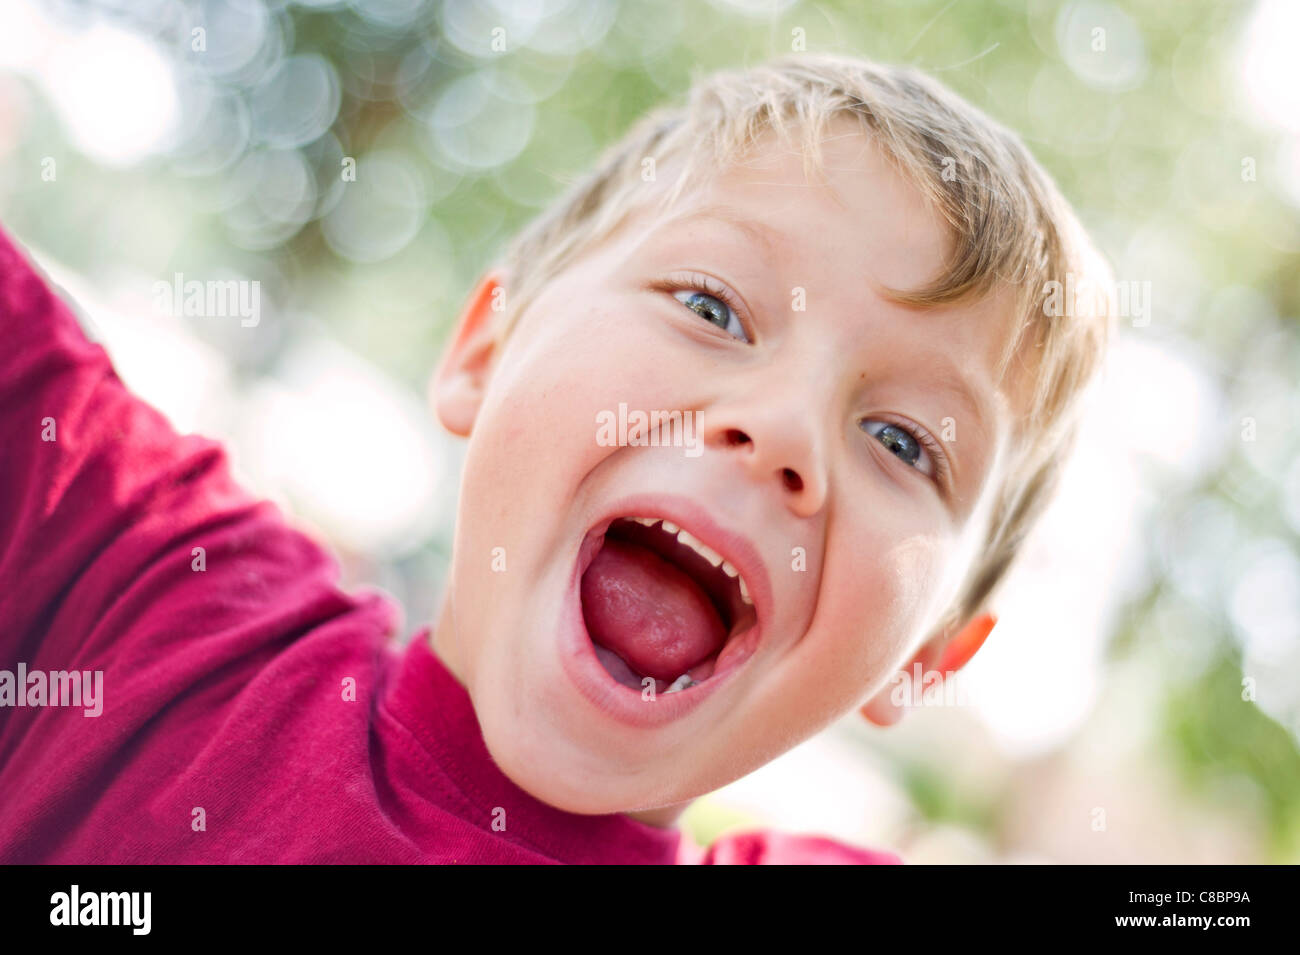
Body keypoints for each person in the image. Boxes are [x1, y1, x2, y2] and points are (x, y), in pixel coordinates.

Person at [0, 53, 1114, 864]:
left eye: (901, 440)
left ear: (927, 658)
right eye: (711, 306)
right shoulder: (148, 589)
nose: (781, 430)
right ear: (487, 348)